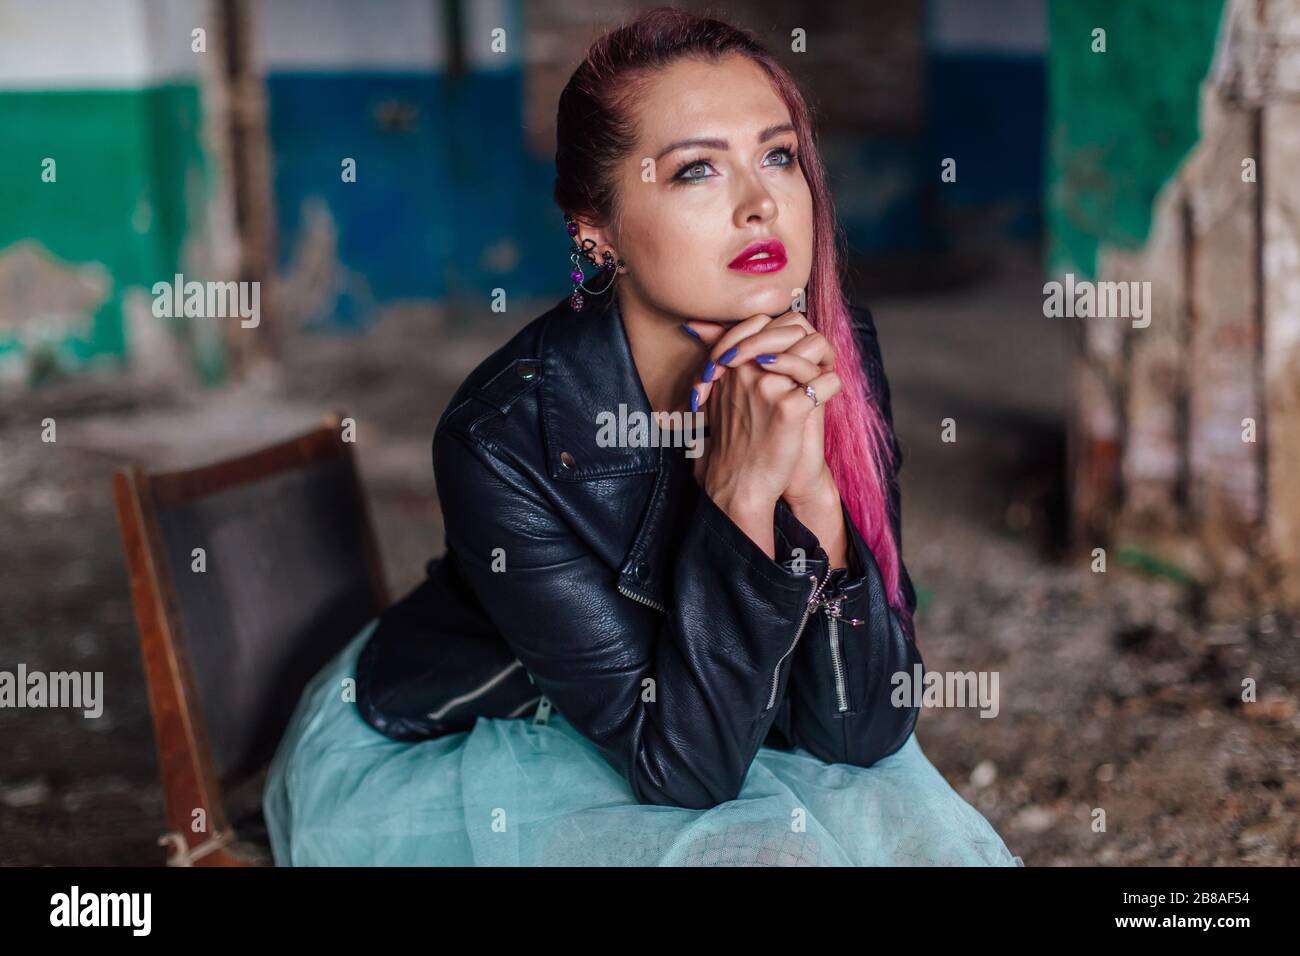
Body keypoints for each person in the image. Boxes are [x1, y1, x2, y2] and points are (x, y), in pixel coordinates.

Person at [263, 6, 1022, 867]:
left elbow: (862, 730)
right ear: (597, 228)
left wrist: (811, 488)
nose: (759, 203)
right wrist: (738, 494)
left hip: (706, 717)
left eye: (778, 156)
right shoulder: (502, 438)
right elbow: (684, 770)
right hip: (460, 738)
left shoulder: (834, 351)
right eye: (697, 170)